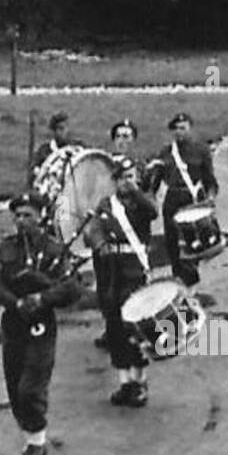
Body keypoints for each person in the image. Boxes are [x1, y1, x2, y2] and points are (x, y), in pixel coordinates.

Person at [0, 192, 81, 455]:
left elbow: (71, 287)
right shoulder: (7, 248)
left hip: (41, 325)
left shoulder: (54, 249)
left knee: (31, 387)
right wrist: (15, 302)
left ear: (40, 216)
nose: (21, 220)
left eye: (28, 215)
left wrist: (42, 298)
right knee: (16, 387)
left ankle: (38, 442)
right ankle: (30, 440)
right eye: (17, 215)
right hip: (14, 323)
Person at [86, 157, 159, 408]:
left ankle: (140, 382)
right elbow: (93, 229)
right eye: (122, 177)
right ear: (114, 181)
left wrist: (137, 192)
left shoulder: (142, 203)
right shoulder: (107, 204)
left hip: (134, 270)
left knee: (134, 328)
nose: (126, 182)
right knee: (114, 325)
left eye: (130, 176)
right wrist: (99, 243)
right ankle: (125, 381)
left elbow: (153, 212)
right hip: (111, 271)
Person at [146, 112, 218, 287]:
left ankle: (189, 283)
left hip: (193, 200)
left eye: (183, 128)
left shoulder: (201, 150)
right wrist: (150, 198)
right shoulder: (165, 152)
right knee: (173, 245)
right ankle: (180, 281)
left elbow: (210, 181)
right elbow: (154, 182)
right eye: (176, 129)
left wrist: (209, 199)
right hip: (173, 200)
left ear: (190, 129)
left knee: (193, 245)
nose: (180, 132)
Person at [30, 112, 80, 178]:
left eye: (65, 128)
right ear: (54, 131)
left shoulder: (78, 147)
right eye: (60, 129)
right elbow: (34, 170)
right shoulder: (44, 151)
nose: (64, 132)